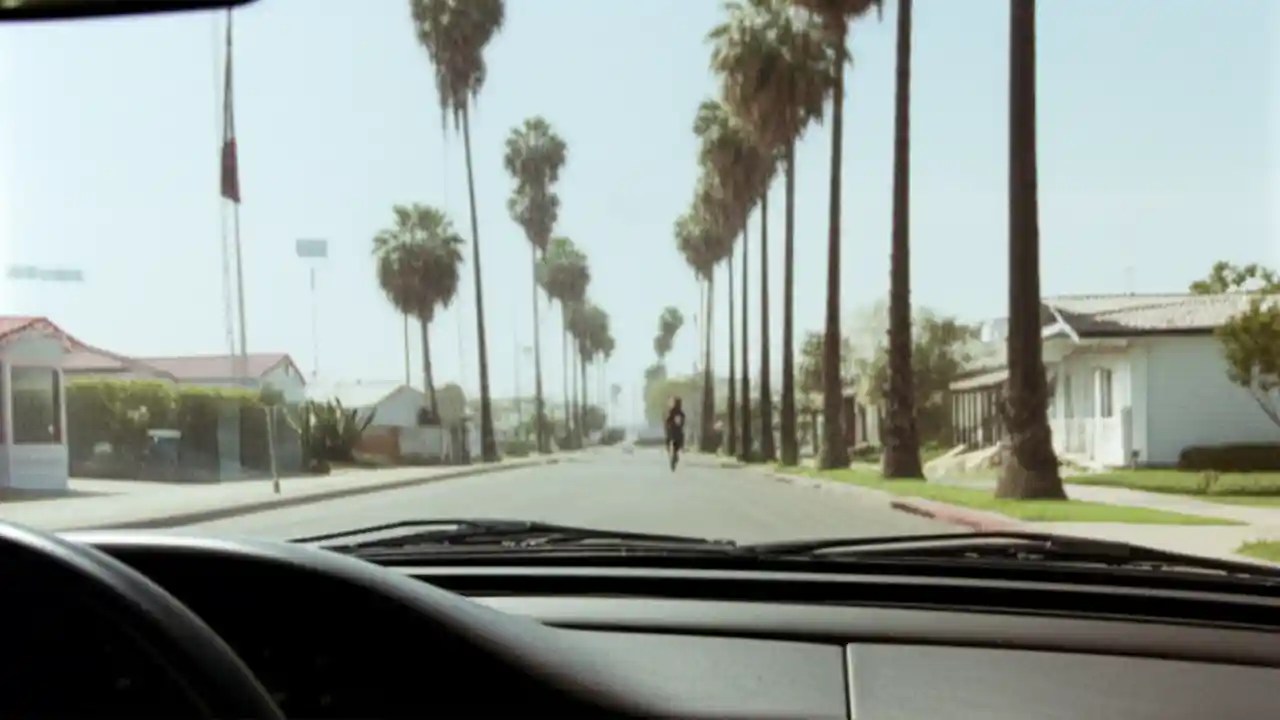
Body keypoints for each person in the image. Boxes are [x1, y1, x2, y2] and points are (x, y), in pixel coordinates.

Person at [664, 396, 686, 471]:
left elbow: (667, 421)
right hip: (676, 432)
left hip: (673, 432)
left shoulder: (672, 411)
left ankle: (674, 454)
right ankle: (676, 454)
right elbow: (682, 423)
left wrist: (668, 425)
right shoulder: (680, 413)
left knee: (671, 442)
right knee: (677, 443)